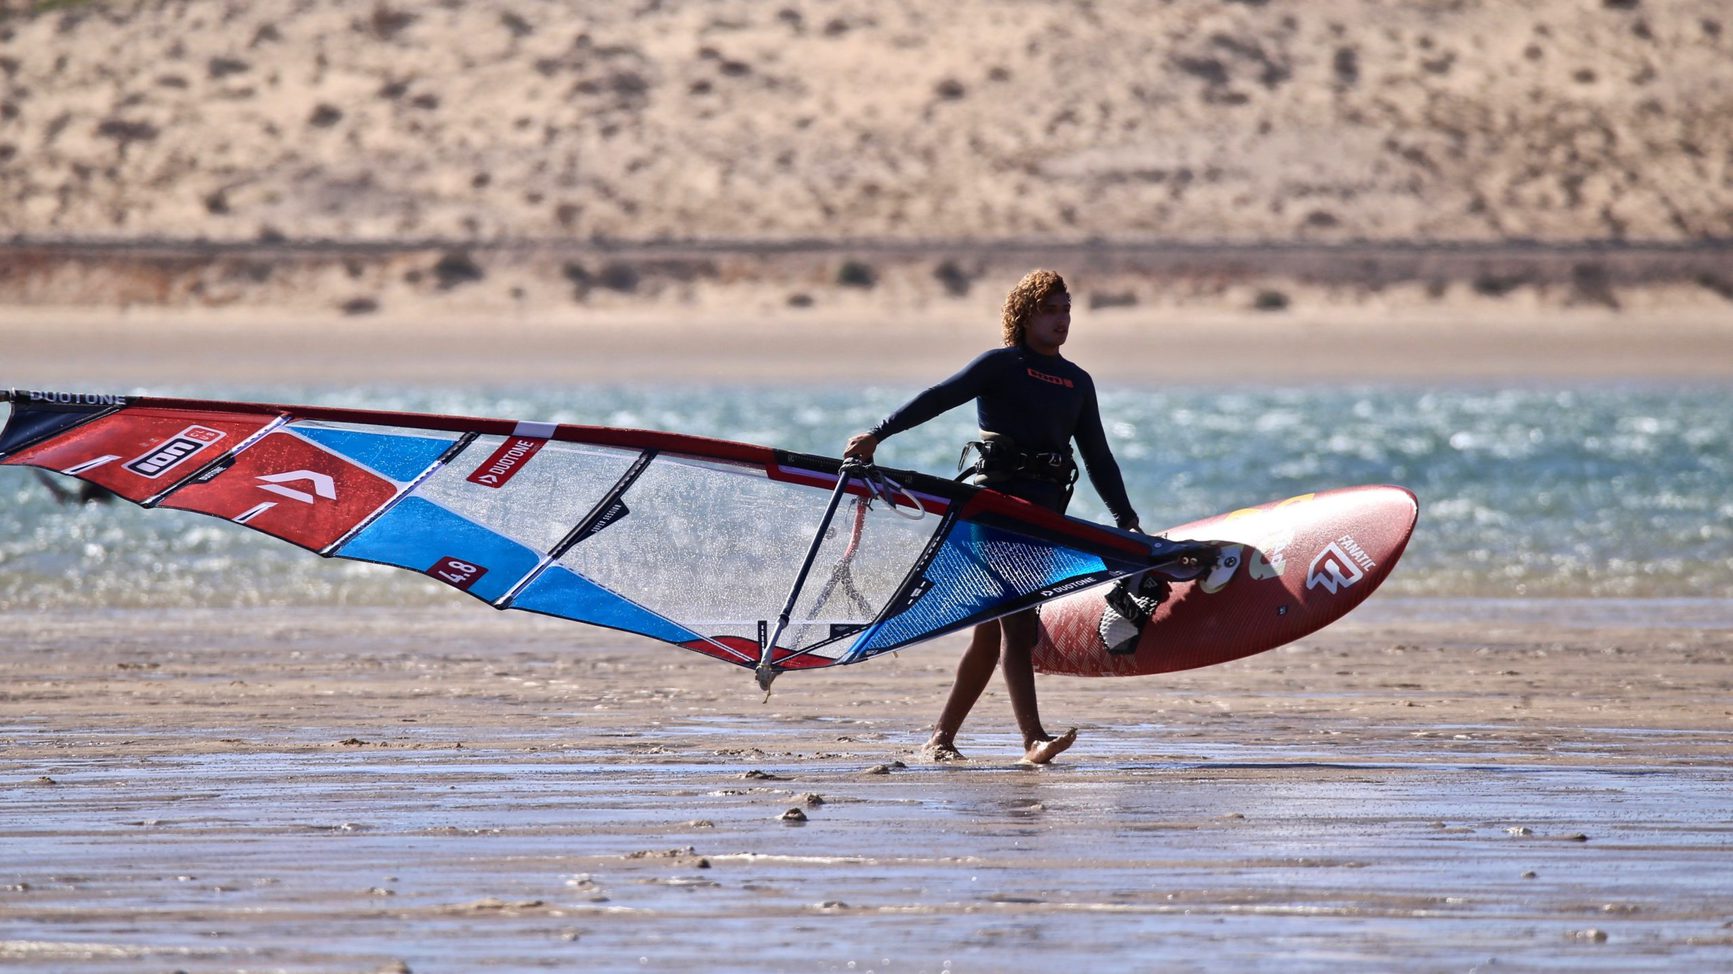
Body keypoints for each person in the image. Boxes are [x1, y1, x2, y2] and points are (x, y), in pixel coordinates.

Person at [843, 269, 1141, 764]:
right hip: (997, 510)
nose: (1062, 320)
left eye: (1067, 310)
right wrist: (879, 433)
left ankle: (941, 737)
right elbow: (937, 398)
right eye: (1051, 310)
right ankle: (1032, 739)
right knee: (1018, 623)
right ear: (1025, 316)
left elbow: (1098, 456)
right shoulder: (1001, 366)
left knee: (991, 628)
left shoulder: (1076, 382)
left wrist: (1125, 519)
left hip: (1043, 517)